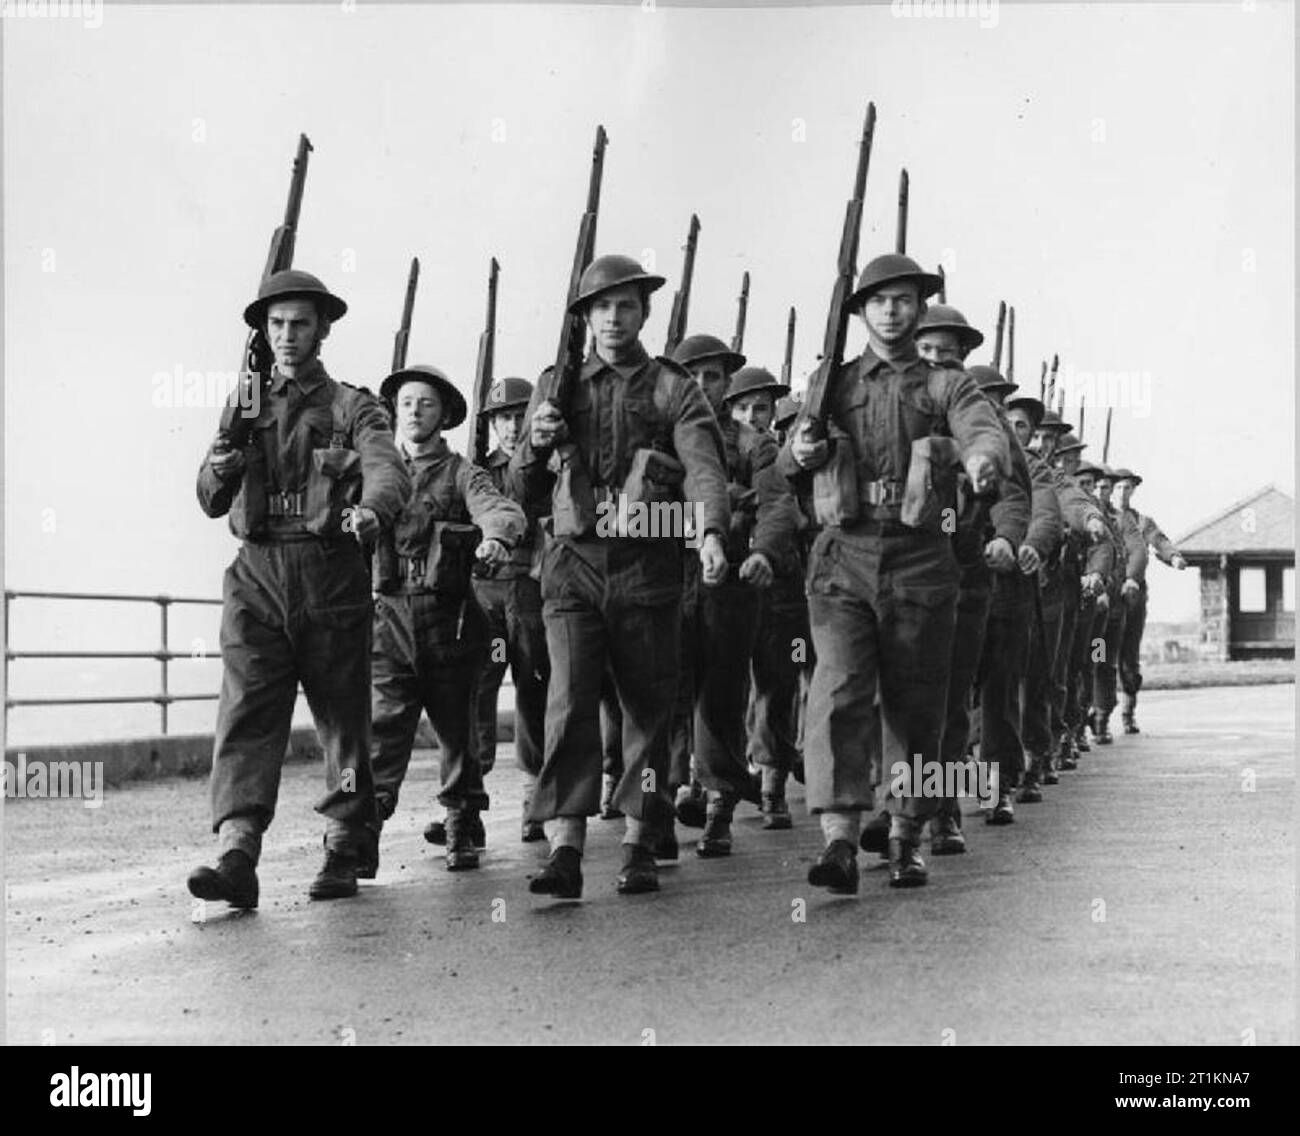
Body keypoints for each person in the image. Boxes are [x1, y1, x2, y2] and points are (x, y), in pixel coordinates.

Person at [779, 253, 1008, 892]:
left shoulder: (943, 385)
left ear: (918, 307)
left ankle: (906, 835)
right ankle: (840, 841)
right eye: (879, 300)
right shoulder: (835, 382)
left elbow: (980, 427)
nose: (892, 310)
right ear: (859, 311)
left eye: (904, 299)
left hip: (919, 561)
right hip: (842, 559)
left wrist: (983, 460)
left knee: (916, 705)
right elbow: (788, 464)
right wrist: (801, 450)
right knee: (838, 693)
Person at [509, 255, 731, 899]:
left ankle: (638, 838)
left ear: (644, 314)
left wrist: (711, 529)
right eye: (600, 307)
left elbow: (702, 463)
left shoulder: (671, 387)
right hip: (573, 567)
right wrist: (535, 441)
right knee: (569, 702)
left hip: (647, 568)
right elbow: (521, 487)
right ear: (583, 317)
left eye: (626, 306)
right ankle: (566, 849)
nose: (613, 318)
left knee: (646, 710)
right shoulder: (558, 384)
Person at [189, 269, 409, 908]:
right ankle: (237, 852)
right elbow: (207, 496)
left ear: (324, 329)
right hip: (256, 575)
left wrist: (373, 510)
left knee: (342, 717)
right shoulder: (247, 399)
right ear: (264, 329)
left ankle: (344, 841)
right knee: (247, 711)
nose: (287, 336)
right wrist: (218, 468)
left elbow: (384, 466)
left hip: (329, 575)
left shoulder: (351, 405)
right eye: (276, 323)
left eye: (300, 323)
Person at [367, 365, 526, 873]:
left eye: (427, 404)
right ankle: (359, 830)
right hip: (389, 615)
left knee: (458, 728)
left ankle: (461, 822)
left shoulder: (462, 472)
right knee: (383, 727)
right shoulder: (373, 474)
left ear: (444, 416)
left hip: (449, 618)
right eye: (407, 402)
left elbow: (500, 510)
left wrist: (496, 538)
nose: (415, 411)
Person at [471, 376, 552, 842]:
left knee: (532, 690)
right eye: (501, 417)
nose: (509, 425)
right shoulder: (477, 470)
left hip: (527, 588)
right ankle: (469, 799)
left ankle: (533, 797)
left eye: (519, 416)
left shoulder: (543, 468)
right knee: (477, 691)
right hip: (484, 592)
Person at [1112, 468, 1187, 733]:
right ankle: (1095, 714)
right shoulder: (1100, 517)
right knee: (1097, 654)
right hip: (1105, 599)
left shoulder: (1142, 522)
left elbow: (1160, 541)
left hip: (1133, 601)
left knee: (1129, 655)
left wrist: (1174, 556)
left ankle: (1128, 711)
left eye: (1127, 488)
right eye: (1117, 487)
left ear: (1133, 491)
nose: (1121, 493)